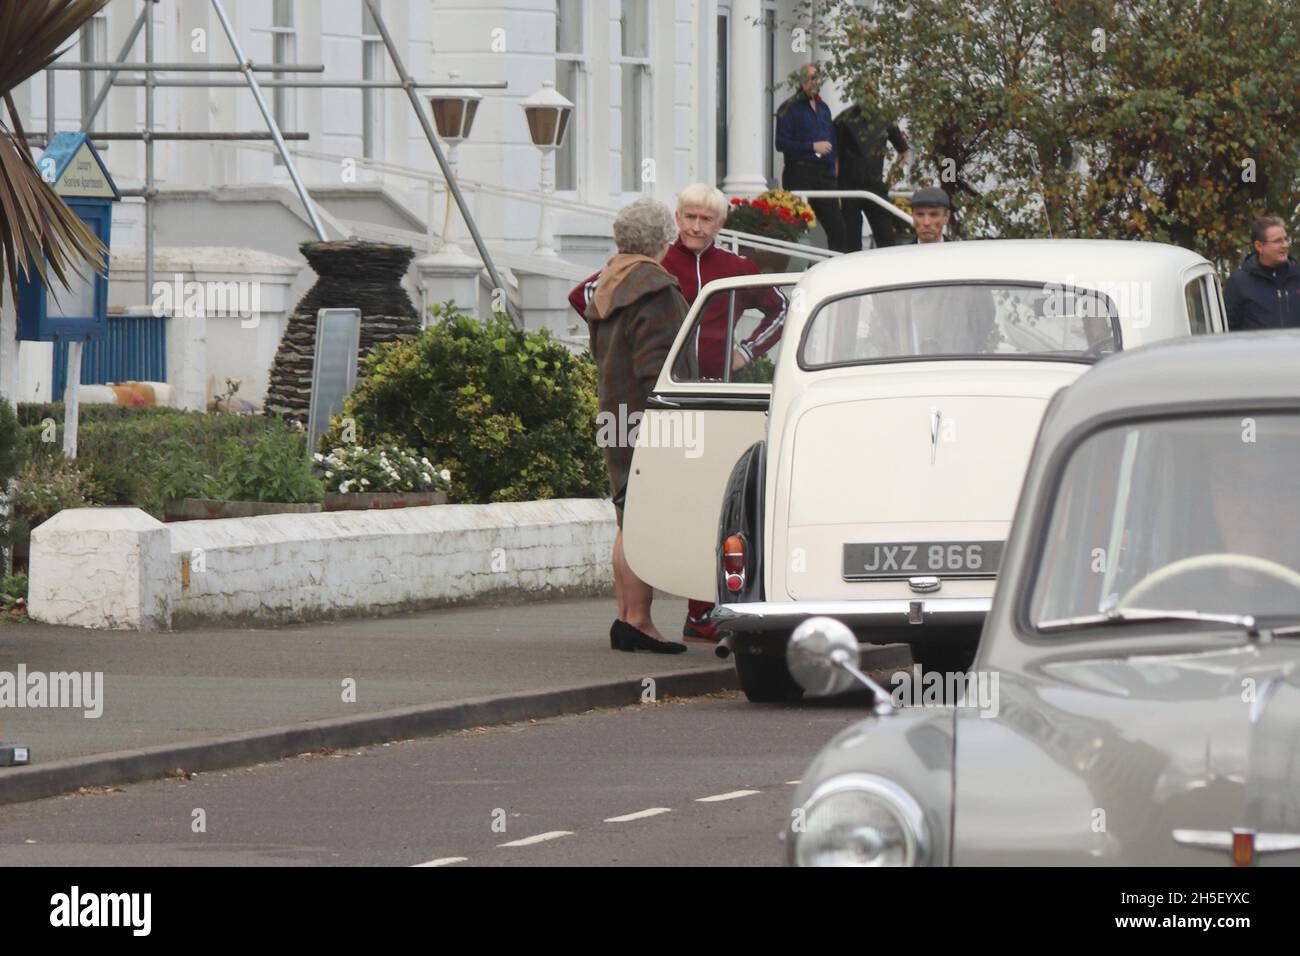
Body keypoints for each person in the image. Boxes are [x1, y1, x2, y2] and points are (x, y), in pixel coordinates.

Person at [570, 184, 789, 644]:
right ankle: (652, 620)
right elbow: (651, 362)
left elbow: (783, 308)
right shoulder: (652, 279)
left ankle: (641, 618)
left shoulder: (634, 273)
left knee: (634, 512)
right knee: (680, 506)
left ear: (720, 225)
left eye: (705, 219)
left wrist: (745, 351)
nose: (694, 227)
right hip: (672, 408)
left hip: (649, 404)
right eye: (687, 217)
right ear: (671, 224)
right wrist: (668, 407)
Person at [585, 198, 689, 654]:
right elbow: (660, 368)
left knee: (626, 516)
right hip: (649, 419)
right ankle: (640, 621)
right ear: (664, 241)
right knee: (640, 519)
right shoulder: (655, 289)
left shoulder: (609, 282)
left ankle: (625, 617)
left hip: (615, 413)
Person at [775, 64, 849, 253]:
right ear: (800, 81)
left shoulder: (824, 109)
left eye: (816, 78)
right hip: (800, 173)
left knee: (838, 229)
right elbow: (781, 143)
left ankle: (838, 273)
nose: (813, 82)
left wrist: (836, 185)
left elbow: (833, 148)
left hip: (825, 176)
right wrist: (812, 146)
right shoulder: (789, 108)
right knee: (800, 228)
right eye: (809, 78)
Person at [834, 98, 910, 250]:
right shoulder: (843, 119)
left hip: (875, 187)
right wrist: (836, 190)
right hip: (848, 189)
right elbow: (834, 157)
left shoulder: (884, 118)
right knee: (851, 244)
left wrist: (891, 179)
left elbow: (904, 150)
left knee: (887, 240)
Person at [1224, 216, 1300, 330]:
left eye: (1286, 239)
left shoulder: (1297, 276)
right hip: (1257, 348)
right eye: (1278, 241)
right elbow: (1227, 328)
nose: (1285, 245)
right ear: (1259, 246)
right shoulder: (1238, 283)